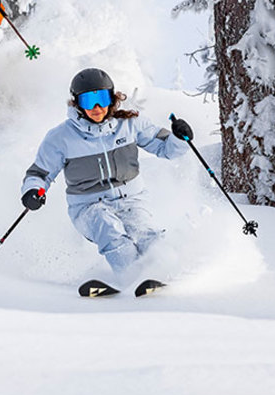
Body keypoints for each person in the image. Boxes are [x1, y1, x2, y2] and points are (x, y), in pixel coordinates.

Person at [20, 67, 193, 285]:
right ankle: (131, 280)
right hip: (87, 206)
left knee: (145, 234)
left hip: (132, 199)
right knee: (109, 229)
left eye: (101, 98)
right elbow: (39, 173)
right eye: (87, 101)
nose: (96, 107)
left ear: (111, 98)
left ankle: (165, 274)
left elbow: (167, 149)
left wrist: (179, 138)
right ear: (77, 103)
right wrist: (33, 190)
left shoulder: (131, 124)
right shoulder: (60, 137)